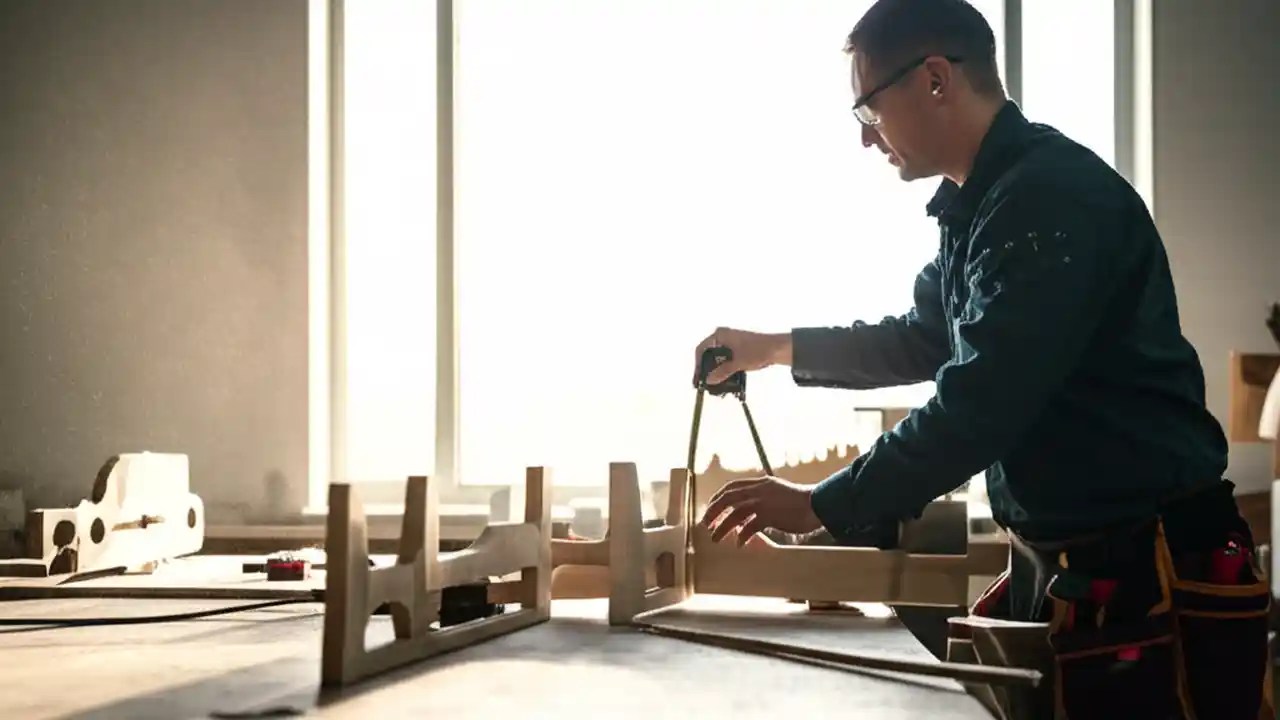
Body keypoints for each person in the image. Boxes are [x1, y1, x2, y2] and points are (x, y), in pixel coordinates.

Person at [694, 0, 1273, 717]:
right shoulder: (984, 203)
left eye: (869, 110)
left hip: (1143, 560)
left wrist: (822, 503)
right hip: (1075, 561)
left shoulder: (1045, 200)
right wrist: (775, 348)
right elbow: (923, 336)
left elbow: (978, 406)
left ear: (935, 79)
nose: (867, 138)